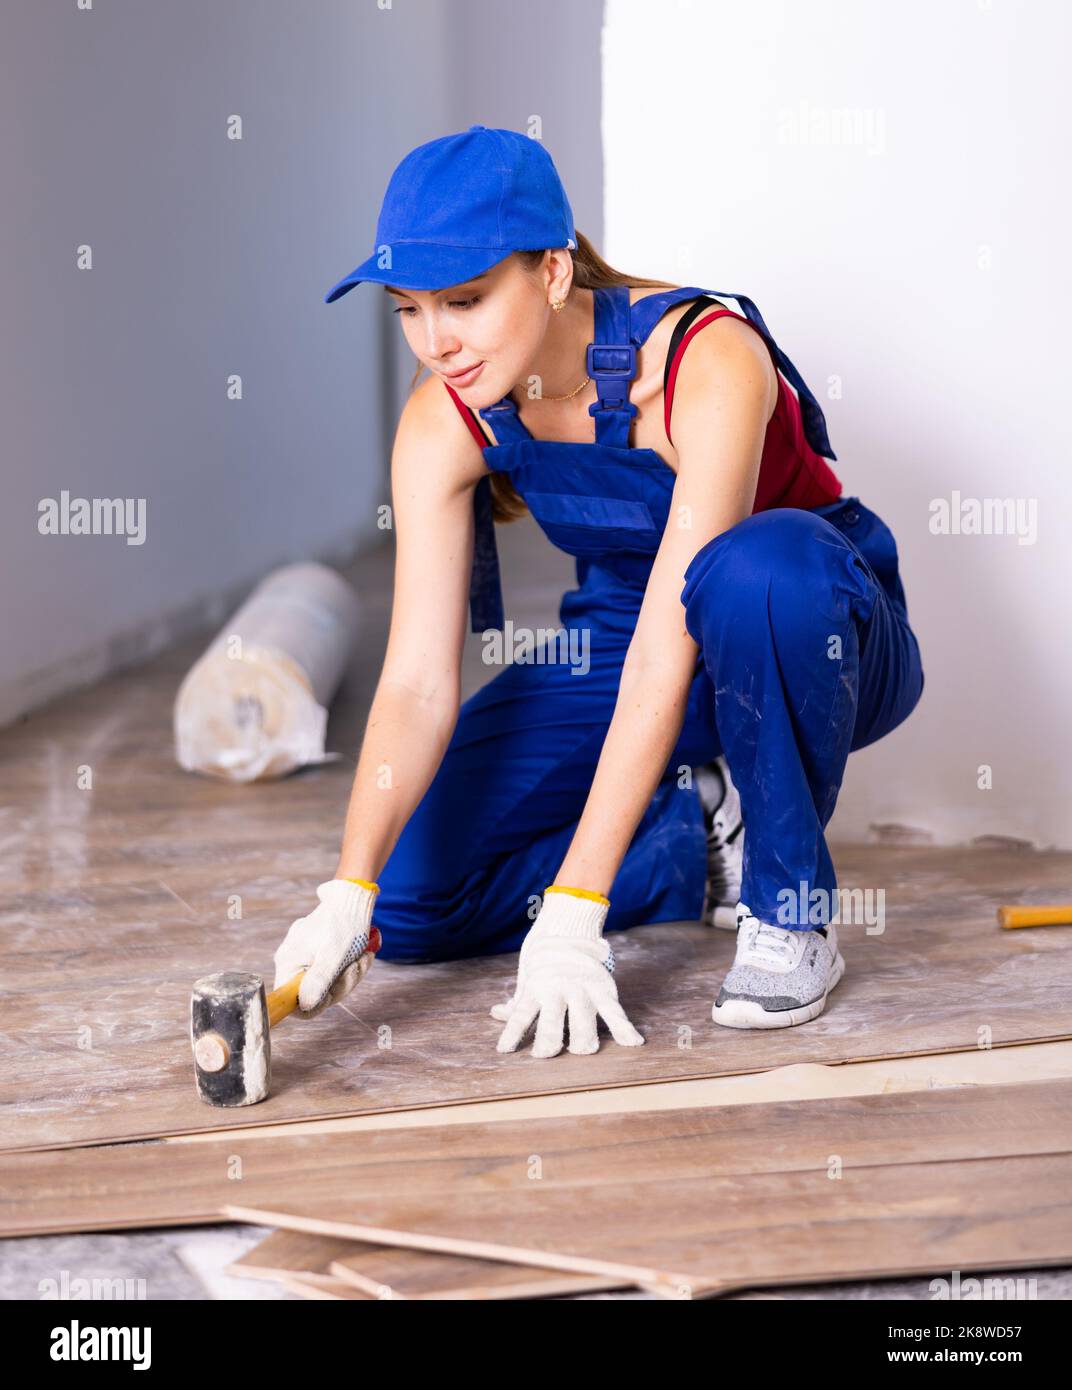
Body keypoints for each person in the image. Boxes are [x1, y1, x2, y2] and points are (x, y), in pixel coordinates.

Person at [273, 125, 924, 1058]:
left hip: (808, 628)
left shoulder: (703, 358)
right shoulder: (443, 415)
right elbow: (418, 680)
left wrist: (575, 909)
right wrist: (349, 887)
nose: (437, 342)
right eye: (407, 310)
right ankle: (692, 836)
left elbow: (675, 641)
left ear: (550, 271)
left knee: (759, 568)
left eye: (464, 299)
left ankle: (790, 910)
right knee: (410, 903)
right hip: (624, 632)